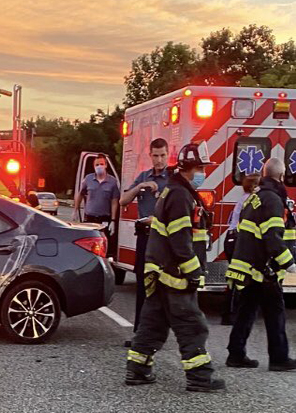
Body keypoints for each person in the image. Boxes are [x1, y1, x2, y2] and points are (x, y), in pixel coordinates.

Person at [125, 142, 225, 392]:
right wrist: (193, 272)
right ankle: (200, 378)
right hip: (174, 273)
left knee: (153, 324)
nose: (203, 173)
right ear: (190, 169)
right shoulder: (180, 195)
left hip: (161, 271)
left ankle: (137, 370)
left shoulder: (175, 190)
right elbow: (181, 240)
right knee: (191, 324)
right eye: (201, 168)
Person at [225, 158, 296, 371]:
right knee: (275, 312)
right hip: (263, 268)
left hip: (249, 265)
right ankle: (279, 358)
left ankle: (236, 353)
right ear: (281, 177)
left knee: (247, 309)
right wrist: (289, 264)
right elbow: (272, 238)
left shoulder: (254, 196)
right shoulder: (273, 200)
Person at [120, 138, 170, 333]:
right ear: (150, 155)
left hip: (164, 238)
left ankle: (159, 331)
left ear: (168, 154)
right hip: (145, 237)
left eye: (163, 155)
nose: (159, 160)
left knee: (163, 284)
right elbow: (124, 200)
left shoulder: (172, 179)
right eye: (155, 155)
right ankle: (140, 332)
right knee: (142, 283)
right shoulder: (143, 177)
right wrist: (140, 187)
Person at [221, 173, 260, 326]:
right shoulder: (249, 200)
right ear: (254, 187)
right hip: (237, 241)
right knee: (239, 278)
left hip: (232, 239)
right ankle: (232, 314)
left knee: (234, 278)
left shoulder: (244, 198)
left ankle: (231, 313)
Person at [74, 154, 120, 228]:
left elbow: (114, 202)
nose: (99, 166)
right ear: (94, 166)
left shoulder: (112, 181)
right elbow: (80, 194)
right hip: (89, 218)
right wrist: (75, 210)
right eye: (97, 165)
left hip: (104, 218)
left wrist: (113, 220)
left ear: (106, 165)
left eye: (101, 164)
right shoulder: (88, 179)